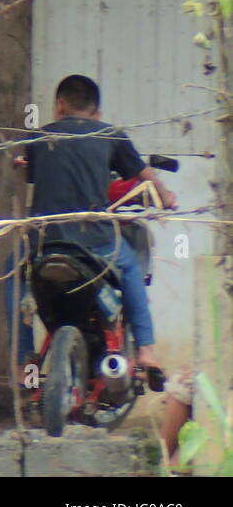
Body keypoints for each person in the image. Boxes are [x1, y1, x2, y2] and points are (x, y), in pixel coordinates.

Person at [15, 75, 176, 380]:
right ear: (96, 112)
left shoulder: (38, 137)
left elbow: (32, 172)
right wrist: (166, 197)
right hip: (96, 243)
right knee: (131, 269)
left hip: (44, 243)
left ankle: (26, 360)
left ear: (60, 105)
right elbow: (144, 175)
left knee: (13, 273)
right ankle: (146, 351)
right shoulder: (110, 134)